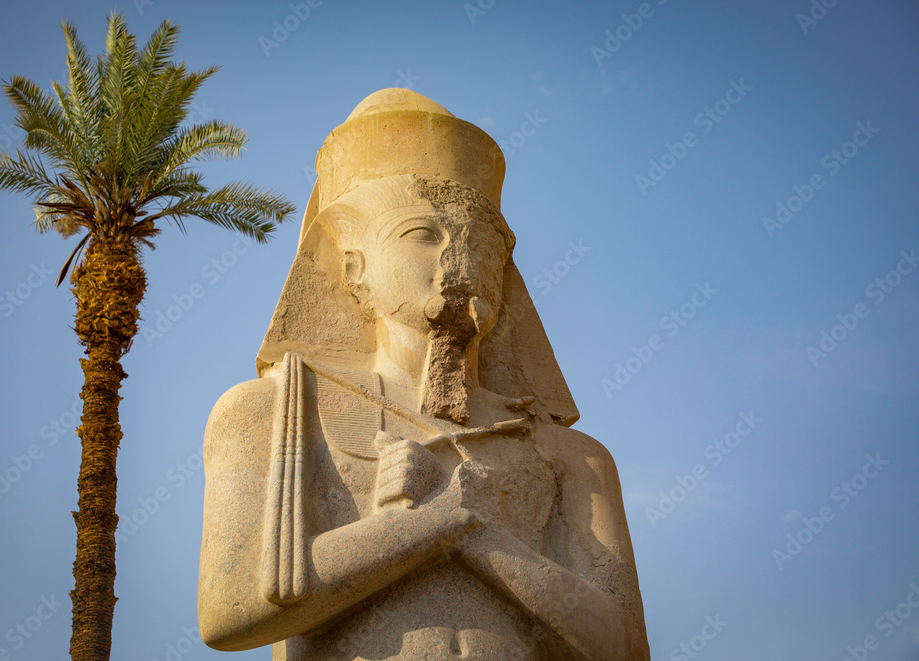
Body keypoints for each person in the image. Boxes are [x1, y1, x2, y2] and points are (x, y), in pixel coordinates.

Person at [198, 89, 649, 660]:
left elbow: (626, 648)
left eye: (482, 242)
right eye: (422, 234)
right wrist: (427, 525)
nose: (460, 259)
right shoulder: (270, 413)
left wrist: (482, 534)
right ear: (354, 268)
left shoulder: (571, 455)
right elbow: (230, 611)